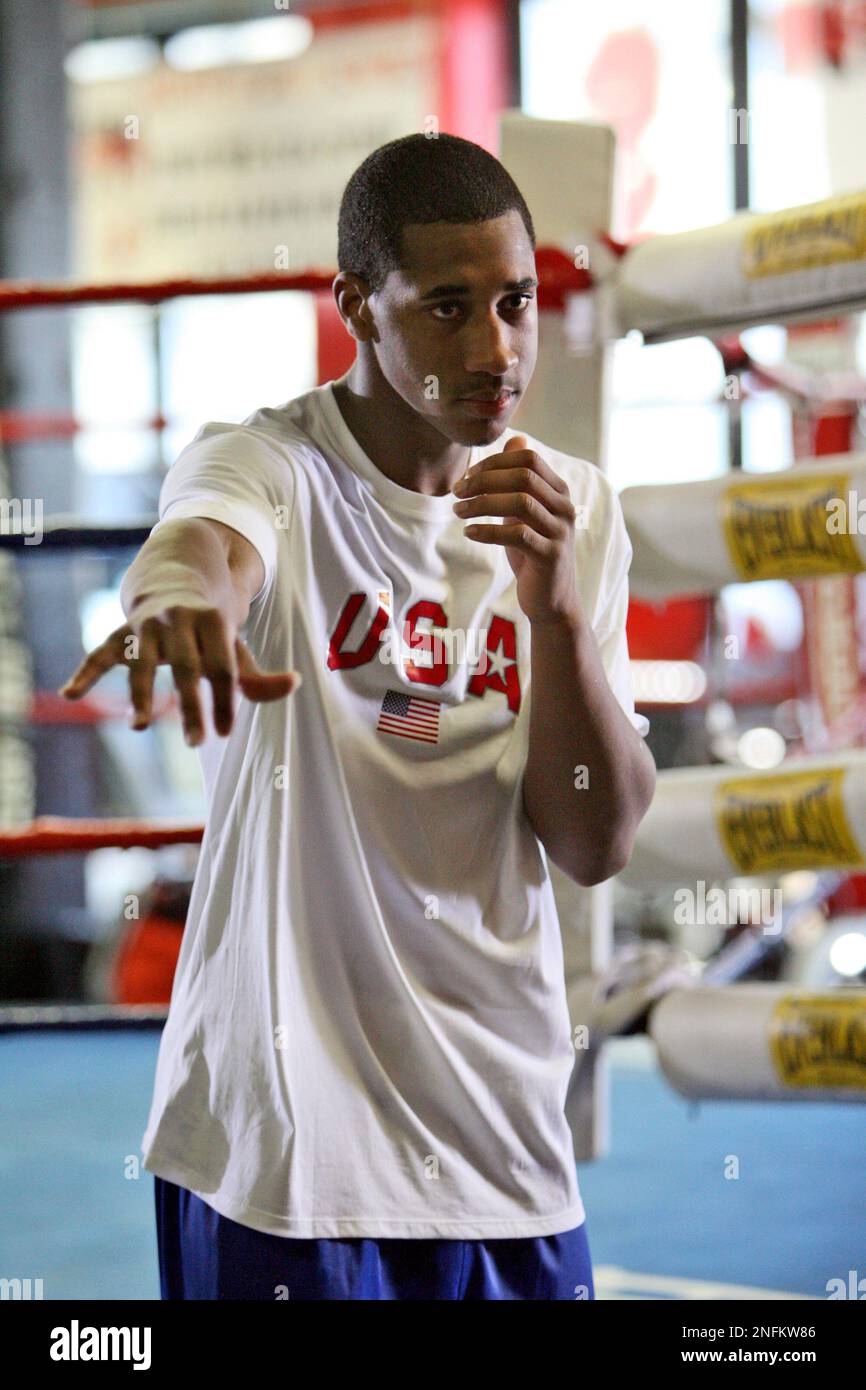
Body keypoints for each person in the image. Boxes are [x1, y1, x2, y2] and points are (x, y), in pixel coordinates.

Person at [59, 132, 655, 1301]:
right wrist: (178, 602)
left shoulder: (570, 510)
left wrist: (560, 619)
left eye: (515, 303)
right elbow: (201, 542)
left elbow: (593, 842)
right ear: (356, 310)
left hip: (505, 1146)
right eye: (446, 307)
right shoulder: (276, 465)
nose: (497, 349)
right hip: (285, 1154)